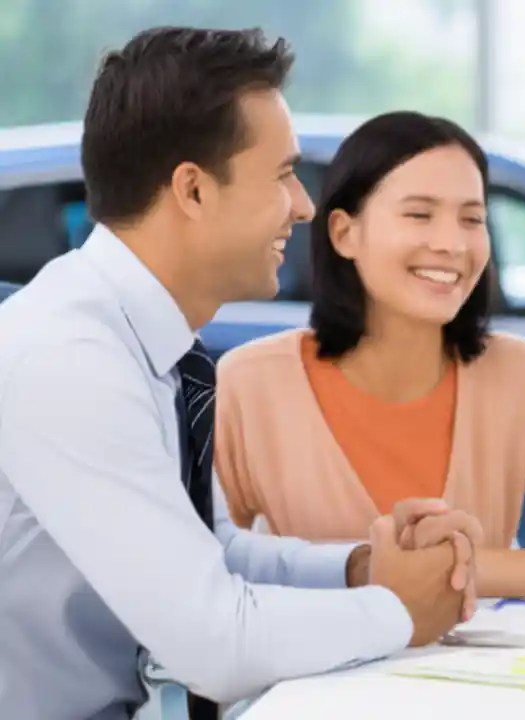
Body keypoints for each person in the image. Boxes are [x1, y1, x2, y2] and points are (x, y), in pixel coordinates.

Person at [0, 27, 481, 720]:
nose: (305, 206)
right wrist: (400, 609)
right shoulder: (69, 358)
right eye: (283, 175)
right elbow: (214, 643)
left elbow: (208, 552)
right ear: (193, 191)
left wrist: (360, 571)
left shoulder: (142, 342)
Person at [213, 111, 525, 601]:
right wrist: (372, 576)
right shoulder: (251, 383)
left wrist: (456, 568)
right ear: (344, 234)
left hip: (480, 677)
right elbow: (203, 573)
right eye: (419, 214)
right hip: (317, 676)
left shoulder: (520, 375)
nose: (451, 244)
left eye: (472, 219)